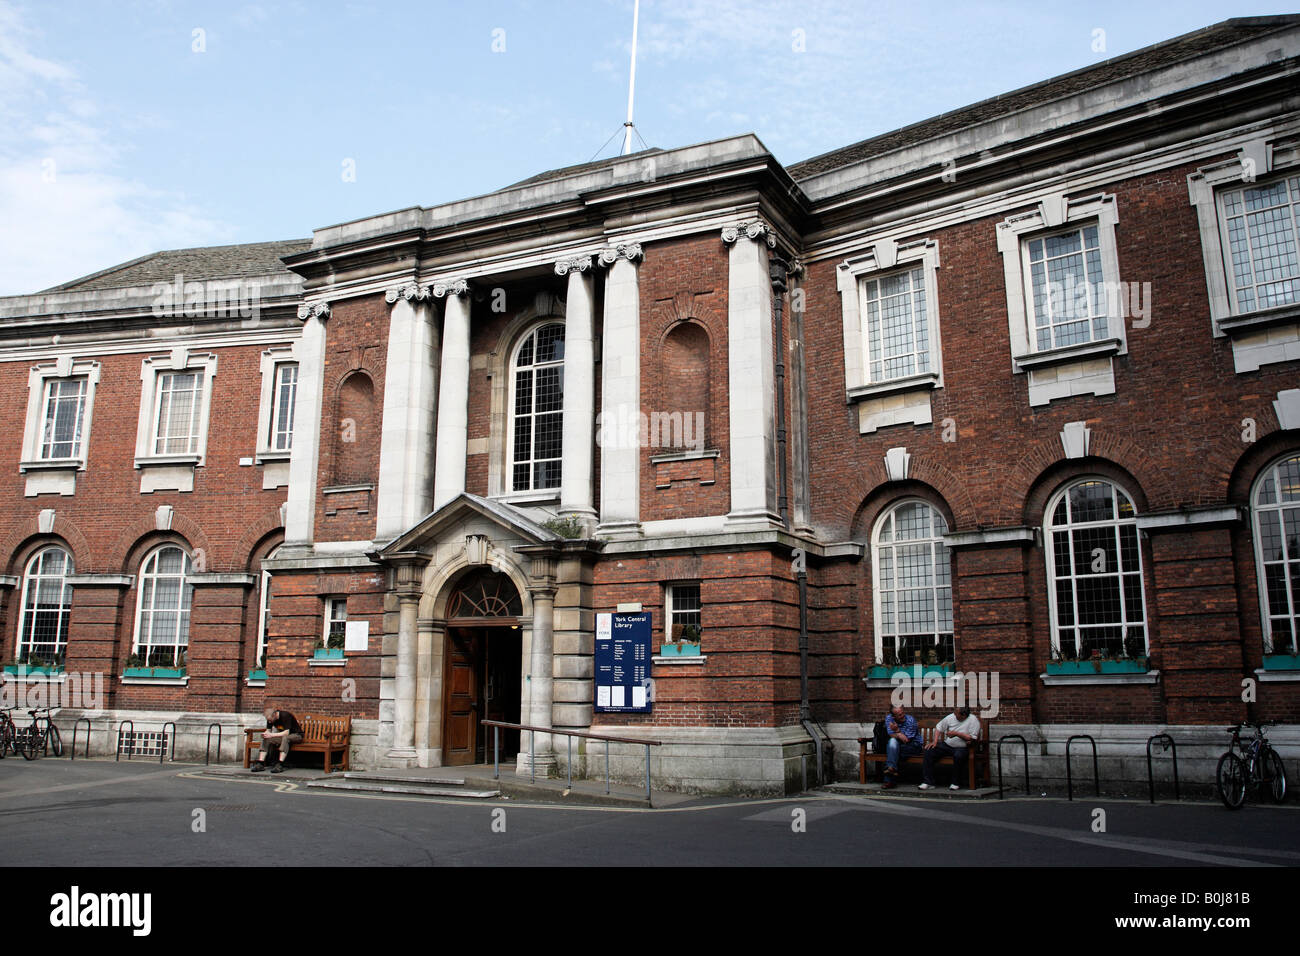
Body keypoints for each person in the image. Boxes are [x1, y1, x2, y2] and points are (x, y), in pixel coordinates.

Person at [920, 705, 981, 790]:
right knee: (929, 751)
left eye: (956, 714)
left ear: (963, 716)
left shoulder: (973, 720)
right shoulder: (951, 717)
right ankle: (928, 782)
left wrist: (957, 734)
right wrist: (935, 741)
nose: (954, 715)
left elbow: (972, 738)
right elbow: (939, 727)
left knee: (958, 756)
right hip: (948, 745)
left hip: (963, 747)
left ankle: (955, 782)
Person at [251, 706, 304, 773]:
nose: (269, 722)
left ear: (275, 715)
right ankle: (260, 763)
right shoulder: (270, 719)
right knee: (267, 739)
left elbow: (286, 733)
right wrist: (265, 734)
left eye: (270, 720)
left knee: (285, 738)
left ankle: (280, 764)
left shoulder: (285, 716)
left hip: (297, 735)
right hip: (283, 736)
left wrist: (272, 735)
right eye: (268, 720)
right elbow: (268, 730)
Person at [882, 703, 923, 789]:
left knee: (892, 751)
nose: (902, 716)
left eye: (903, 713)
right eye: (899, 715)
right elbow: (891, 735)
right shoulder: (889, 718)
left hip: (914, 746)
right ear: (894, 717)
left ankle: (889, 780)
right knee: (892, 742)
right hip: (899, 744)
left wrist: (897, 730)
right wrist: (898, 735)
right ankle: (892, 770)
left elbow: (906, 740)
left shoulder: (911, 720)